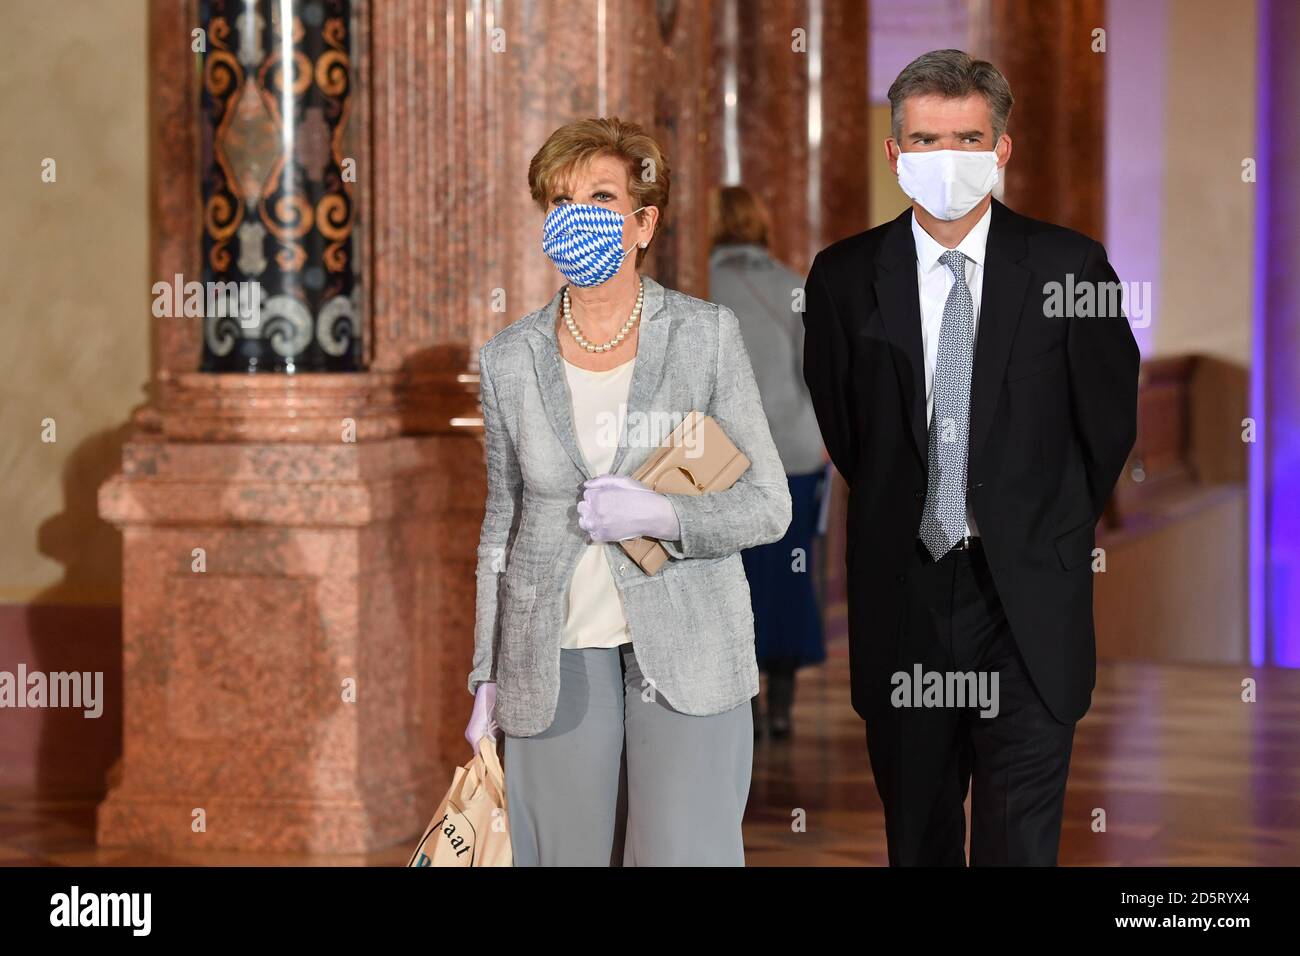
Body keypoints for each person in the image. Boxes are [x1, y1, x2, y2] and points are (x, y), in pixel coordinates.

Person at [802, 50, 1139, 865]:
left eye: (966, 136)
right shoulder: (844, 277)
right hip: (906, 592)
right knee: (917, 838)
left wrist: (1041, 528)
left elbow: (1107, 426)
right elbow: (852, 433)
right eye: (924, 139)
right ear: (894, 154)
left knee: (1017, 842)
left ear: (1002, 149)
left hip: (1025, 596)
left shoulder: (1069, 266)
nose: (944, 156)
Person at [463, 117, 792, 866]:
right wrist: (486, 673)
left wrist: (666, 514)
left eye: (600, 196)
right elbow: (500, 527)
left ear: (644, 223)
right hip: (555, 649)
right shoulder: (509, 359)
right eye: (560, 199)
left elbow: (769, 503)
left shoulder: (705, 336)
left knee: (684, 854)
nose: (575, 215)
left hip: (689, 641)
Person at [708, 186, 827, 739]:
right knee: (791, 572)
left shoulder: (692, 286)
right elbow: (818, 374)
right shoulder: (791, 285)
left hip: (716, 461)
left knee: (732, 579)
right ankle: (782, 705)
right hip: (792, 454)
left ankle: (743, 705)